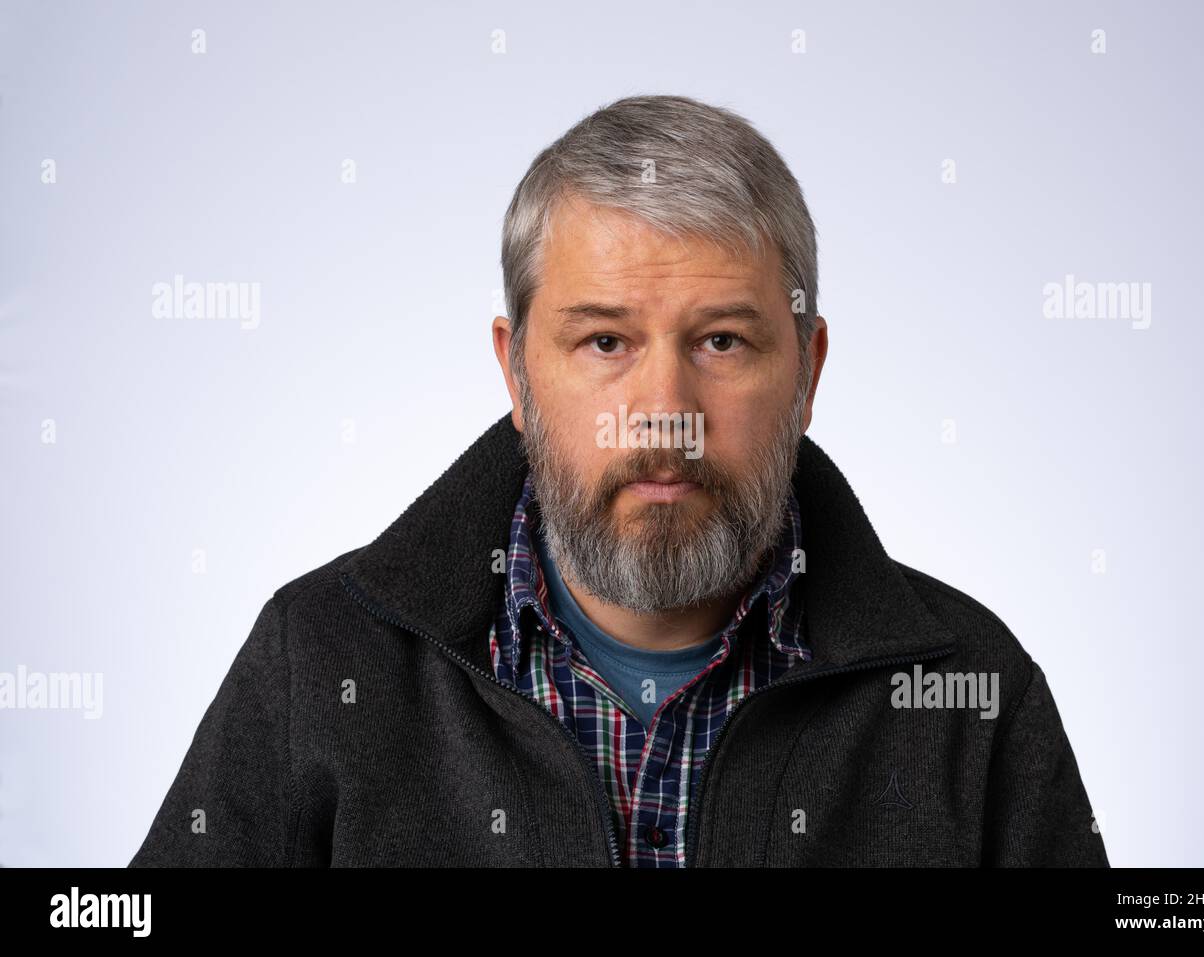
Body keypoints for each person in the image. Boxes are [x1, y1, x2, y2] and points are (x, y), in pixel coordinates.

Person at [130, 94, 1108, 867]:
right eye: (605, 340)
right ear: (517, 372)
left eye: (721, 340)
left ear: (807, 371)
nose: (663, 410)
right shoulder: (318, 662)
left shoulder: (974, 698)